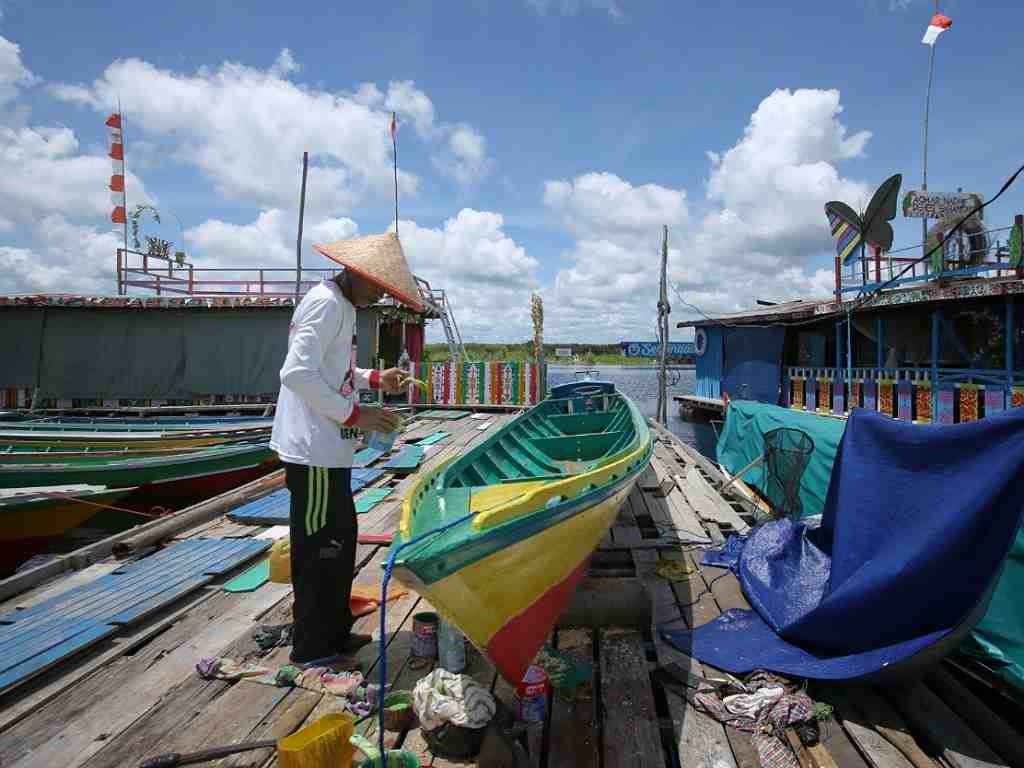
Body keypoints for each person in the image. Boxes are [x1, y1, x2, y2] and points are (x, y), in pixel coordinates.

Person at [270, 233, 423, 665]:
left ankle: (334, 632)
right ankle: (312, 648)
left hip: (328, 451)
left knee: (340, 539)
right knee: (319, 547)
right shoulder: (327, 304)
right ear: (354, 273)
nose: (378, 295)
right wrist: (358, 416)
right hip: (313, 451)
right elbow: (297, 374)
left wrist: (374, 379)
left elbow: (330, 370)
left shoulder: (341, 304)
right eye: (376, 285)